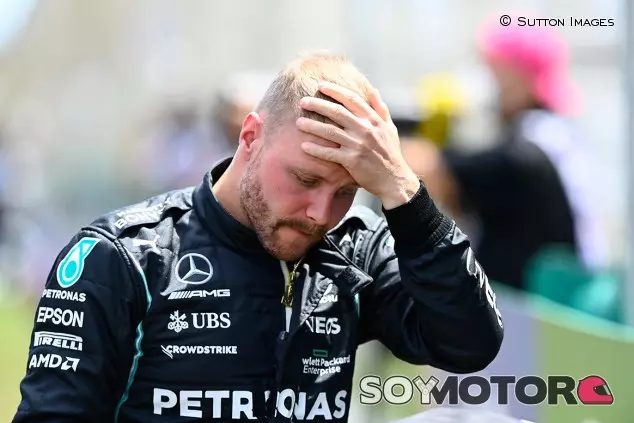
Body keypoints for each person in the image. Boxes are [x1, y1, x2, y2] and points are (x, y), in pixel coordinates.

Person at [12, 52, 503, 423]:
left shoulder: (358, 247)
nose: (320, 213)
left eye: (347, 192)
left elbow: (469, 345)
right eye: (305, 179)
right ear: (250, 136)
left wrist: (405, 192)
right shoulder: (122, 257)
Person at [408, 17, 608, 291]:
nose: (486, 81)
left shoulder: (531, 147)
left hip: (537, 305)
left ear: (520, 74)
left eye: (492, 69)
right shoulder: (558, 134)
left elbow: (423, 167)